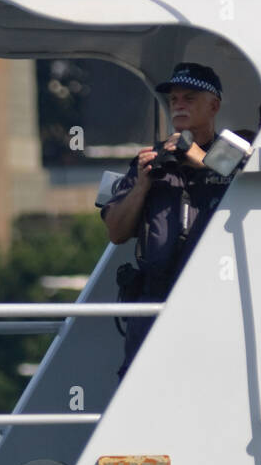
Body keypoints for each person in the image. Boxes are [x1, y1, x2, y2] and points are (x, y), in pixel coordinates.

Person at [100, 62, 238, 377]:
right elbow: (117, 232)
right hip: (155, 301)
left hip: (214, 299)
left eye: (189, 98)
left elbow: (243, 179)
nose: (178, 104)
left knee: (210, 381)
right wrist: (142, 186)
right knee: (141, 384)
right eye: (174, 99)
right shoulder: (149, 161)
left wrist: (197, 158)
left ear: (213, 106)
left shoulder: (232, 154)